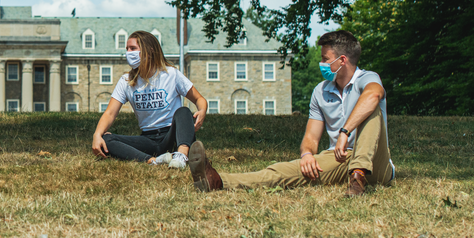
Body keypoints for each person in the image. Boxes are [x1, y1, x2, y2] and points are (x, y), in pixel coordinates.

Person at [189, 30, 395, 197]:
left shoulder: (367, 78)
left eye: (325, 59)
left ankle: (358, 177)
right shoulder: (320, 91)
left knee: (371, 105)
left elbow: (374, 96)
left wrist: (345, 132)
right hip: (339, 159)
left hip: (375, 163)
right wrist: (306, 155)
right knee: (286, 170)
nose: (321, 64)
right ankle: (218, 181)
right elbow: (311, 138)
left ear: (342, 60)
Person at [92, 30, 209, 168]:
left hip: (173, 135)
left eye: (133, 48)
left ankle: (181, 155)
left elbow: (199, 99)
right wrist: (97, 135)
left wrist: (202, 110)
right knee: (107, 139)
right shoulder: (126, 81)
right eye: (127, 49)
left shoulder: (171, 74)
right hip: (148, 139)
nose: (128, 53)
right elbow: (110, 113)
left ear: (149, 51)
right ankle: (153, 160)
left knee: (183, 111)